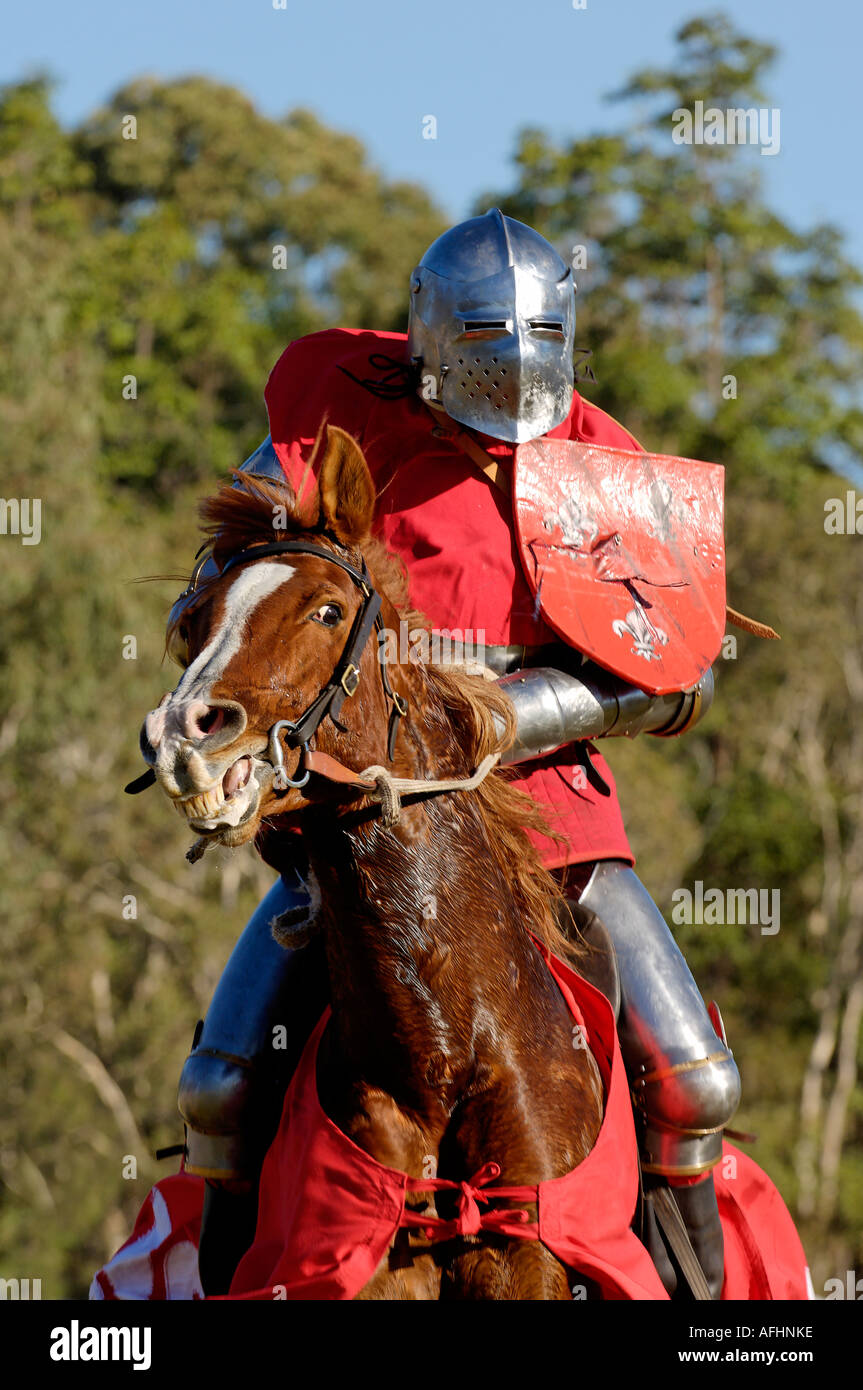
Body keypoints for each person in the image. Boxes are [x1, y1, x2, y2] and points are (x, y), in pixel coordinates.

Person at [171, 209, 740, 1298]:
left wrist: (509, 714)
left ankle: (694, 1303)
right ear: (431, 343)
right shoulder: (339, 414)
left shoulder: (602, 464)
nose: (510, 380)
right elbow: (229, 570)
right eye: (482, 353)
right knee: (221, 1084)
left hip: (553, 809)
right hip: (364, 803)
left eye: (532, 352)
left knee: (692, 1079)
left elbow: (683, 676)